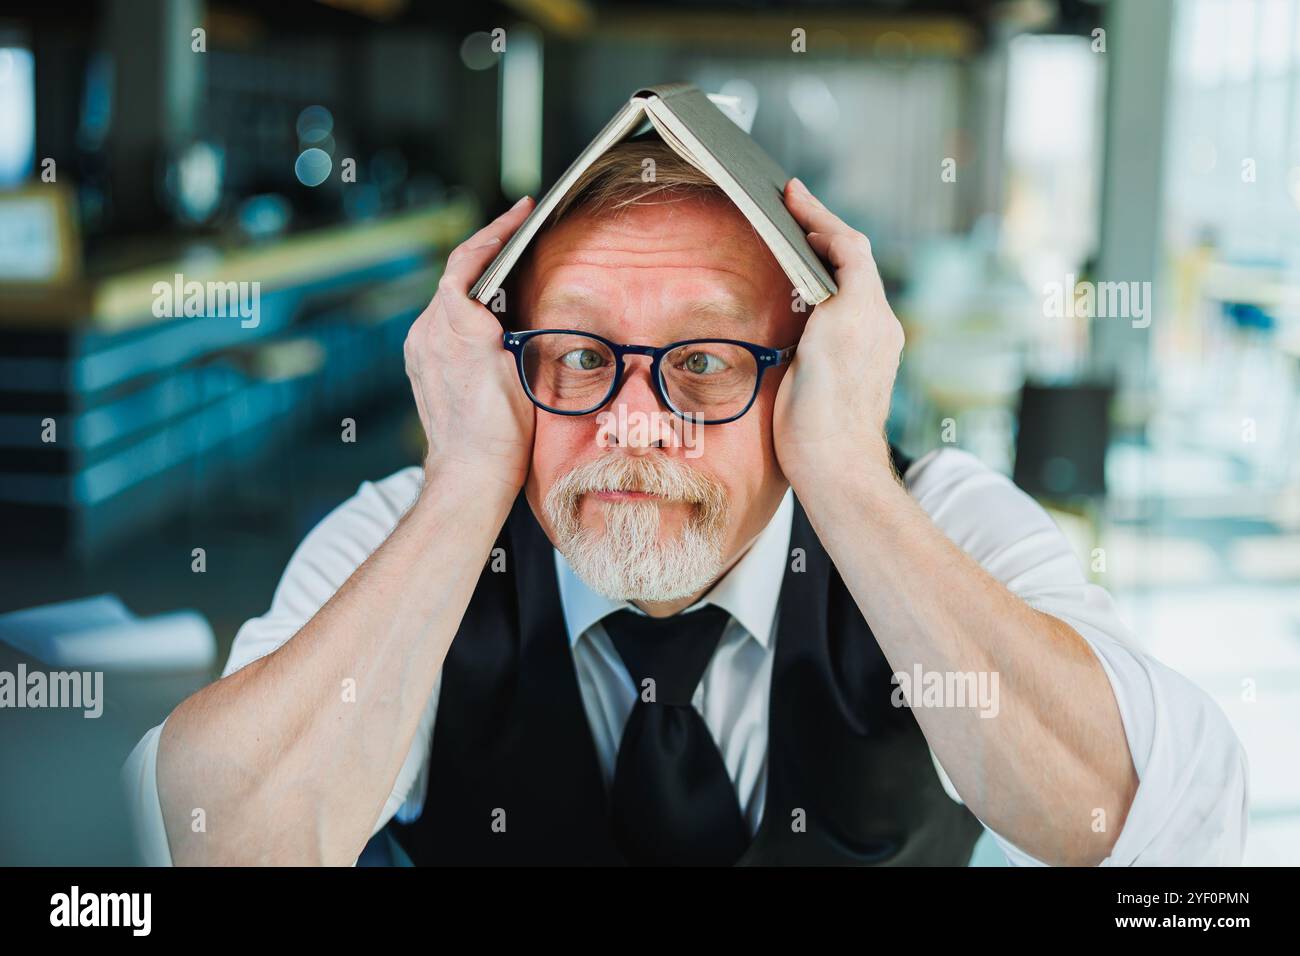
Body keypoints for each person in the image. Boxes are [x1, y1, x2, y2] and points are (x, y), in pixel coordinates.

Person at [123, 142, 1247, 866]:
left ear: (804, 369)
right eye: (575, 354)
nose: (632, 419)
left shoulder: (936, 516)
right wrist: (464, 483)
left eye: (704, 360)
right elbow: (213, 838)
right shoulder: (404, 531)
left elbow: (1149, 814)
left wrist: (846, 473)